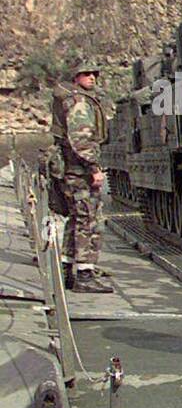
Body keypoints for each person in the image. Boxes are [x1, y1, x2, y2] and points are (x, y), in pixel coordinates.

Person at [49, 57, 112, 293]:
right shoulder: (78, 102)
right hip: (79, 170)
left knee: (76, 218)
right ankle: (84, 274)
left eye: (94, 73)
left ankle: (67, 269)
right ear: (76, 77)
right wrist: (94, 167)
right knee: (89, 220)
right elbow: (81, 139)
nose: (92, 77)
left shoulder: (68, 98)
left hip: (70, 168)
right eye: (86, 74)